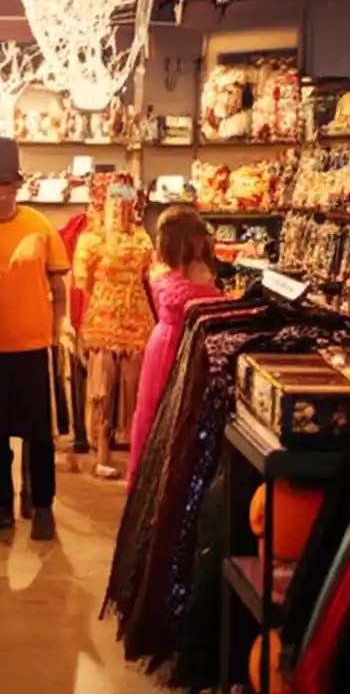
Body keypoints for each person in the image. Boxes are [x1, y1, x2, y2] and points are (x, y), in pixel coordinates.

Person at [0, 137, 70, 541]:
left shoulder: (39, 226)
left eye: (5, 183)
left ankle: (43, 508)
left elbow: (58, 286)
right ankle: (0, 506)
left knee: (39, 433)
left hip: (33, 345)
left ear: (17, 184)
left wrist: (61, 326)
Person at [125, 204, 221, 488]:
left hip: (168, 342)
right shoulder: (182, 278)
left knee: (159, 414)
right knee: (166, 414)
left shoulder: (166, 270)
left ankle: (154, 483)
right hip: (175, 346)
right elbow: (197, 301)